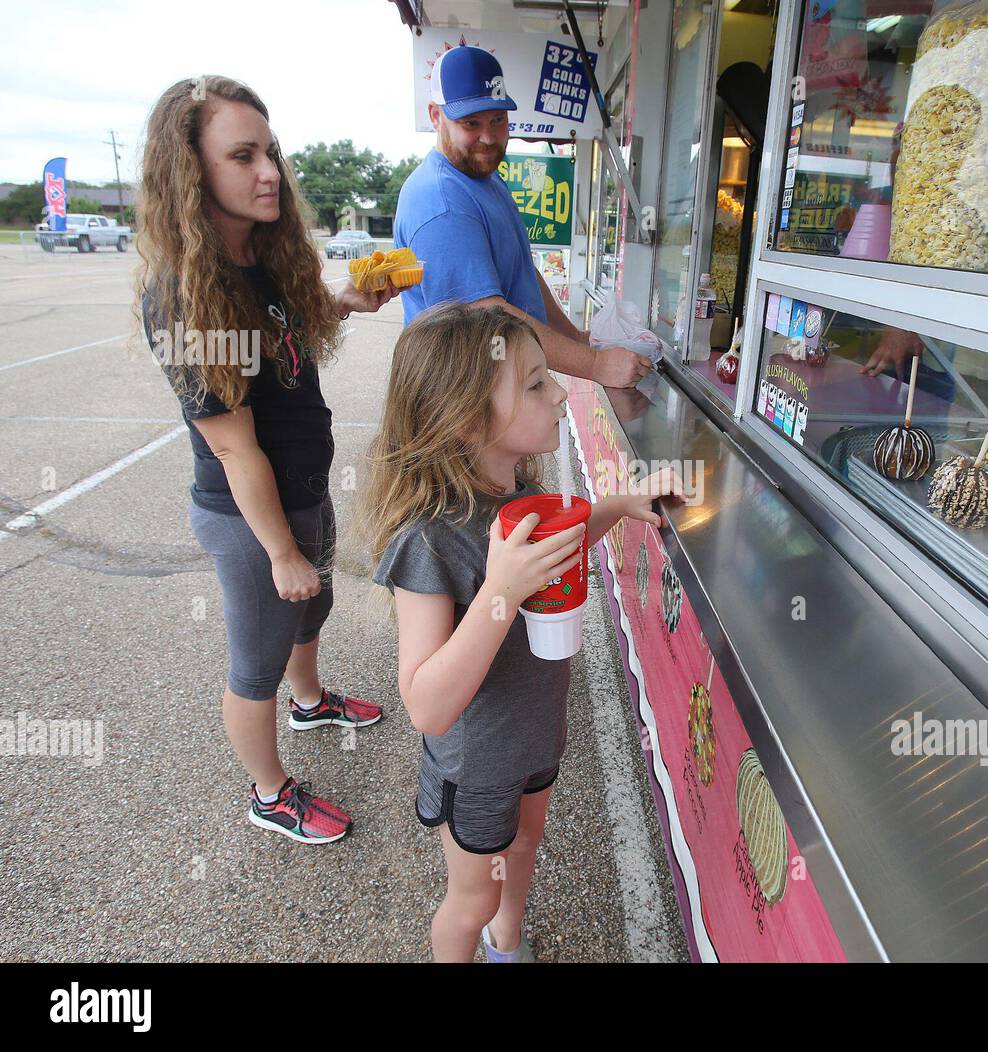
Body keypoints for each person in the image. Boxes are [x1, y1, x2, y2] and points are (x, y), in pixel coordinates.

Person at [355, 302, 681, 961]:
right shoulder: (431, 540)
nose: (561, 390)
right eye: (535, 383)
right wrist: (501, 592)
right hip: (477, 766)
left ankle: (508, 946)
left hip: (537, 737)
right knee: (471, 899)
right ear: (467, 418)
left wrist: (619, 506)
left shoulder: (519, 499)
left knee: (523, 853)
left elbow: (558, 545)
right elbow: (426, 703)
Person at [136, 76, 395, 844]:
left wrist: (349, 299)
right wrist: (280, 549)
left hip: (302, 489)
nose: (269, 171)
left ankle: (310, 702)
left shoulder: (261, 254)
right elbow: (233, 446)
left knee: (314, 607)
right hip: (249, 515)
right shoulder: (182, 293)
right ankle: (269, 793)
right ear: (192, 172)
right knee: (256, 658)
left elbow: (293, 331)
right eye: (242, 156)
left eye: (269, 152)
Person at [394, 44, 651, 391]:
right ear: (435, 116)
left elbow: (521, 270)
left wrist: (575, 337)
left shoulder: (483, 177)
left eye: (498, 119)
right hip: (458, 404)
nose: (488, 138)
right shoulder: (442, 202)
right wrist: (594, 364)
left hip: (495, 389)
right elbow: (486, 317)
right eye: (471, 123)